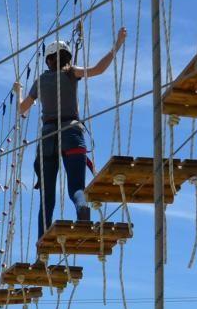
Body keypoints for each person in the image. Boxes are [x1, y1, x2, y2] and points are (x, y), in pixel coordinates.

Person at [16, 28, 126, 237]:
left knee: (47, 197)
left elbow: (23, 108)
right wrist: (117, 46)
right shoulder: (71, 73)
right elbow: (98, 69)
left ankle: (42, 242)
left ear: (48, 60)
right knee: (76, 186)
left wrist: (18, 91)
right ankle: (82, 206)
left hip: (48, 137)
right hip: (72, 133)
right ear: (66, 57)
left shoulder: (40, 81)